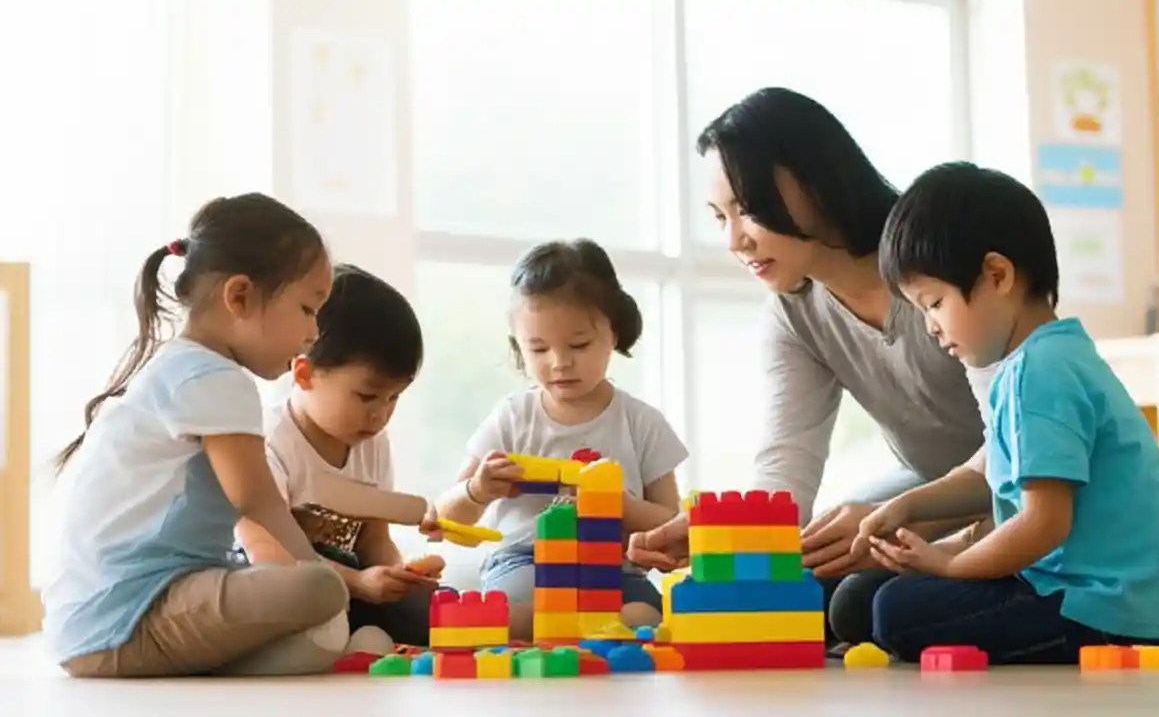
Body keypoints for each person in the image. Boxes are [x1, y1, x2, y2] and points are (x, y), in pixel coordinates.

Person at [627, 87, 989, 645]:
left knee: (861, 598)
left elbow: (1024, 437)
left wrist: (896, 519)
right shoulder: (794, 314)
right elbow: (786, 472)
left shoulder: (935, 263)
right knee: (812, 576)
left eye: (746, 208)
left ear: (814, 180)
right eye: (719, 216)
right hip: (927, 490)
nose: (733, 240)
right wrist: (724, 537)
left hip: (1026, 485)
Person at [43, 194, 439, 677]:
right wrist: (332, 585)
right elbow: (258, 501)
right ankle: (325, 644)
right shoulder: (215, 379)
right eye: (308, 309)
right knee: (320, 590)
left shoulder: (182, 368)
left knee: (311, 597)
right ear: (240, 297)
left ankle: (323, 646)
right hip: (127, 616)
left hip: (110, 614)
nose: (314, 332)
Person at [860, 161, 1159, 662]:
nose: (931, 328)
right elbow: (996, 475)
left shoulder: (1040, 372)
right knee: (868, 600)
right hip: (1091, 596)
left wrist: (950, 565)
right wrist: (911, 506)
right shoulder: (1044, 359)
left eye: (935, 303)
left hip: (1094, 609)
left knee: (892, 610)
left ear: (996, 275)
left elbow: (1043, 523)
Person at [437, 239, 686, 640]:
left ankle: (589, 636)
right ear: (518, 346)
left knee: (644, 617)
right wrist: (477, 489)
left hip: (615, 568)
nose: (559, 362)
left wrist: (619, 506)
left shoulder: (641, 422)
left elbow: (672, 527)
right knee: (520, 617)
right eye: (538, 348)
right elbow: (446, 519)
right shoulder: (513, 417)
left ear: (613, 333)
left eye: (578, 345)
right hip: (525, 561)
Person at [237, 264, 441, 649]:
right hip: (282, 576)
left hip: (350, 585)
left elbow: (373, 541)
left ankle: (355, 641)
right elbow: (269, 553)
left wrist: (399, 576)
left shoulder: (372, 441)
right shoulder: (269, 441)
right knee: (305, 599)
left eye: (394, 397)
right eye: (366, 396)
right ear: (304, 374)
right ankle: (340, 643)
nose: (380, 414)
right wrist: (358, 584)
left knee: (429, 610)